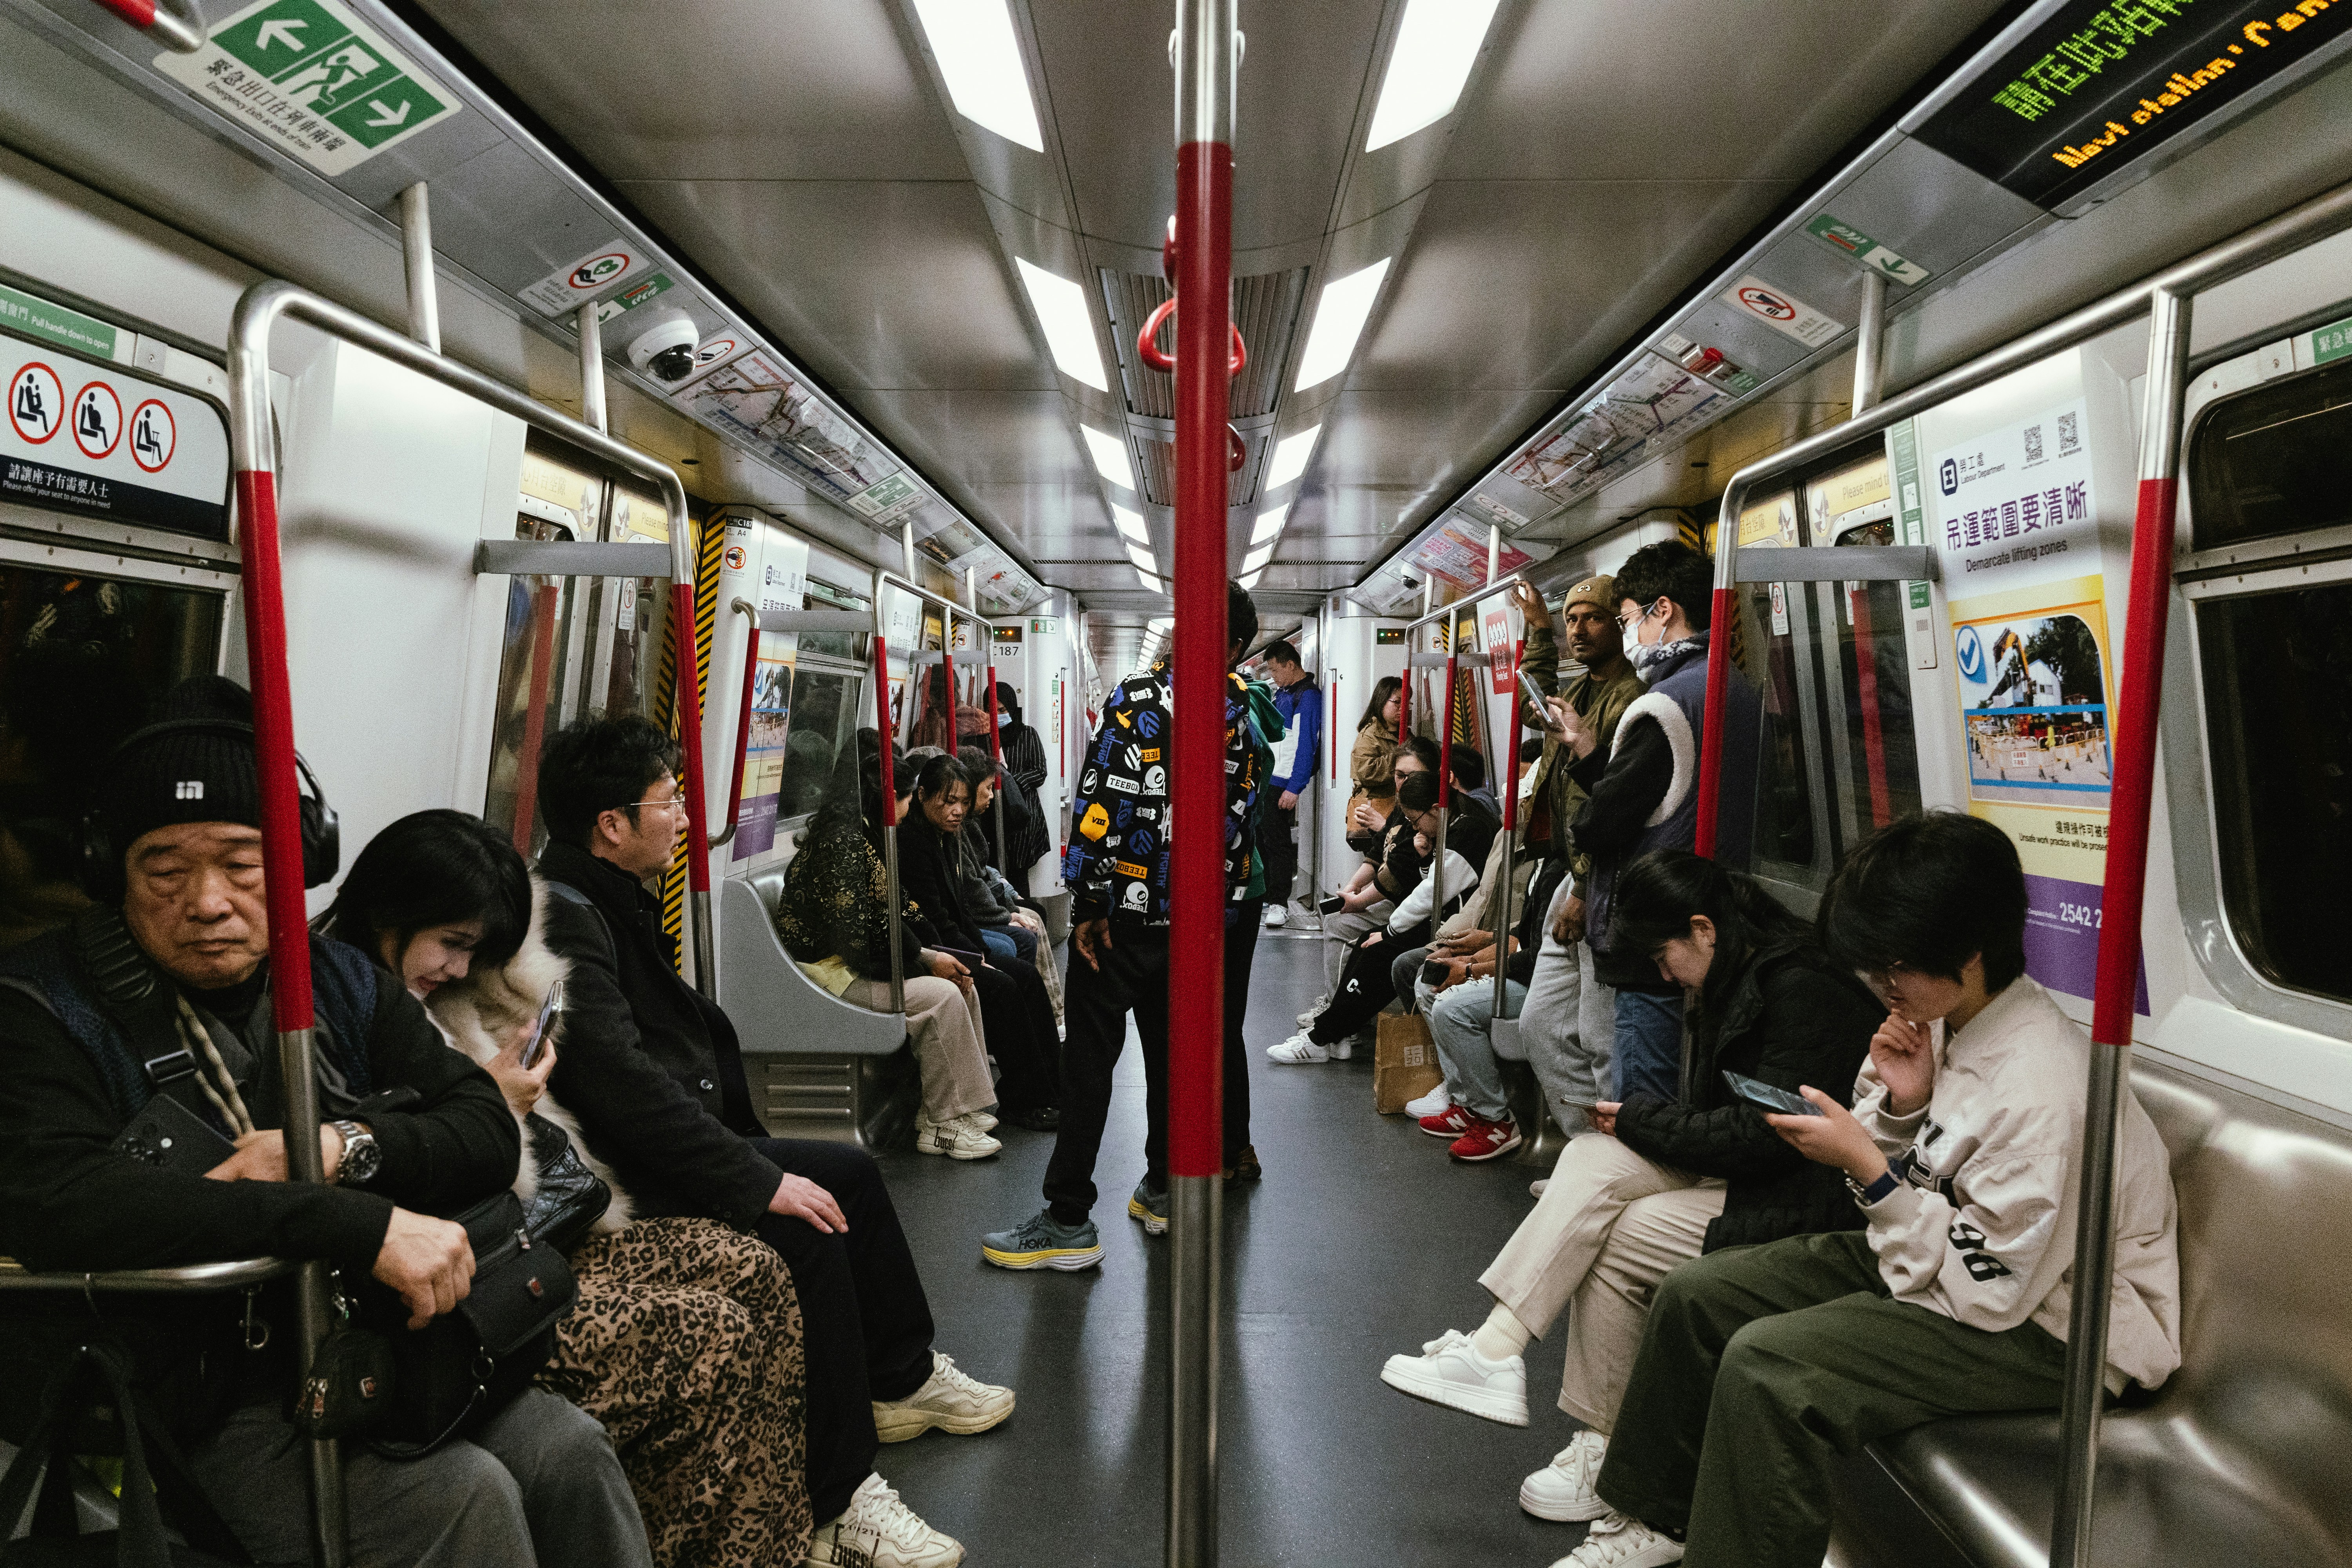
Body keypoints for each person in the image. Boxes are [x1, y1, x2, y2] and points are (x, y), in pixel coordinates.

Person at [0, 677, 653, 1568]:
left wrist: (340, 1147)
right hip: (191, 1390)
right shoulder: (42, 1005)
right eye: (165, 869)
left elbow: (482, 1127)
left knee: (569, 1453)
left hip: (367, 1343)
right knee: (464, 1499)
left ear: (295, 863)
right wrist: (353, 1217)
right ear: (112, 872)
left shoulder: (333, 980)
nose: (207, 901)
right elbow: (64, 1199)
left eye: (241, 863)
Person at [1566, 814, 2182, 1568]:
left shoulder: (2042, 1090)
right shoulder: (1946, 1022)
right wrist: (1902, 1109)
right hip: (1949, 1264)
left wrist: (1869, 1166)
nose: (1882, 985)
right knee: (1699, 1296)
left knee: (1772, 1367)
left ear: (1969, 950)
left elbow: (1991, 1287)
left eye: (1897, 965)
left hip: (2059, 1328)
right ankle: (1658, 1519)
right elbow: (1924, 1186)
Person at [532, 715, 1013, 1568]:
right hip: (625, 1179)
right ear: (611, 825)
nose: (683, 817)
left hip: (680, 1139)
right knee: (805, 1221)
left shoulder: (609, 899)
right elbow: (622, 1089)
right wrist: (753, 1177)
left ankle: (897, 1379)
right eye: (668, 801)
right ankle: (834, 1500)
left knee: (851, 1171)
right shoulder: (567, 921)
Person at [323, 810, 818, 1567]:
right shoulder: (344, 1005)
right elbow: (426, 1153)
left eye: (474, 951)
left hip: (524, 1241)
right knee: (714, 1341)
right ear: (391, 912)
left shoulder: (434, 993)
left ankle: (771, 1538)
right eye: (452, 944)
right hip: (465, 1290)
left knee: (753, 1267)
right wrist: (494, 1106)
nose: (460, 969)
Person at [1381, 848, 1881, 1538]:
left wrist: (1649, 1121)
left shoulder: (1802, 992)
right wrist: (1643, 1126)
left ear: (1704, 930)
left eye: (1662, 955)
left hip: (1805, 1193)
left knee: (1618, 1231)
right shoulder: (1736, 972)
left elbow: (1769, 1138)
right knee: (1590, 1157)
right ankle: (1497, 1349)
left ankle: (1598, 1441)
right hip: (1759, 1171)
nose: (1661, 973)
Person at [981, 581, 1276, 1269]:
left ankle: (1068, 1219)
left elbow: (1101, 804)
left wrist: (1088, 904)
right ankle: (1162, 1189)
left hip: (1122, 923)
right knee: (1175, 1060)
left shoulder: (1138, 700)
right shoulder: (1244, 718)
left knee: (1088, 1064)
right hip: (1197, 927)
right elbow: (1240, 830)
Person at [1566, 542, 1760, 1111]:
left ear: (1664, 611)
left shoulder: (1663, 705)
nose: (1629, 634)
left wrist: (1584, 815)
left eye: (1627, 619)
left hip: (1659, 934)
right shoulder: (1735, 686)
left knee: (1647, 1093)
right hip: (1717, 912)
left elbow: (1602, 822)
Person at [771, 737, 1005, 1155]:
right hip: (826, 974)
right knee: (941, 997)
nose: (909, 807)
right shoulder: (842, 845)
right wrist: (922, 961)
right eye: (906, 798)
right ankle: (941, 1124)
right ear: (888, 799)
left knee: (960, 981)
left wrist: (934, 954)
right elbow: (858, 935)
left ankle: (958, 1107)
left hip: (848, 965)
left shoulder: (862, 836)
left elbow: (900, 907)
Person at [1512, 574, 1646, 1139]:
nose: (1579, 629)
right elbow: (1533, 710)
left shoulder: (1629, 701)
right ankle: (1583, 1149)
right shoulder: (1586, 691)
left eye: (1591, 617)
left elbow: (1616, 805)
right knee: (1540, 1025)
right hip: (1569, 871)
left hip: (1601, 884)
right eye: (1571, 619)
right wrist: (1539, 632)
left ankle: (1607, 1161)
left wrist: (1585, 890)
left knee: (1599, 1038)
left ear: (1620, 622)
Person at [1268, 770, 1479, 1071]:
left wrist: (1391, 932)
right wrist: (1423, 857)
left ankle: (1322, 1037)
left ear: (1435, 809)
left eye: (1417, 820)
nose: (1414, 827)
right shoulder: (1444, 826)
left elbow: (1433, 891)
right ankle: (1330, 1032)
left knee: (1379, 952)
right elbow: (1429, 882)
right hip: (1441, 918)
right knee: (1367, 947)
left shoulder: (1467, 831)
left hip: (1453, 926)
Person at [894, 751, 1060, 1131]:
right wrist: (971, 958)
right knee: (1003, 988)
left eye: (963, 803)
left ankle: (1053, 1086)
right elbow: (932, 919)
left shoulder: (946, 837)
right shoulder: (913, 845)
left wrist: (979, 952)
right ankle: (1022, 1099)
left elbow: (961, 911)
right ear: (922, 796)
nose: (957, 811)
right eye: (948, 801)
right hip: (933, 948)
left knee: (1026, 978)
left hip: (952, 940)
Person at [1256, 639, 1321, 928]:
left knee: (1278, 844)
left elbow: (1306, 745)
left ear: (1290, 665)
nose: (1272, 676)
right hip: (1269, 778)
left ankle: (1279, 903)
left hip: (1283, 781)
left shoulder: (1307, 697)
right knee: (1263, 839)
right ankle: (1268, 896)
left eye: (1274, 669)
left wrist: (1295, 787)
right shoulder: (1284, 693)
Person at [984, 682, 1053, 884]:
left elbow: (1040, 771)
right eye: (991, 711)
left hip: (1022, 812)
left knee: (1019, 873)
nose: (997, 716)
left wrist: (1011, 783)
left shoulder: (1027, 734)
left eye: (1002, 710)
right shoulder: (983, 737)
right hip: (992, 812)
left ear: (1012, 709)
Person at [1347, 675, 1403, 854]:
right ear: (1381, 702)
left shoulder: (1404, 733)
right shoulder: (1369, 735)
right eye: (1397, 702)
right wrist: (1401, 758)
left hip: (1398, 809)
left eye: (1407, 703)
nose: (1403, 708)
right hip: (1378, 808)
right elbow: (1367, 772)